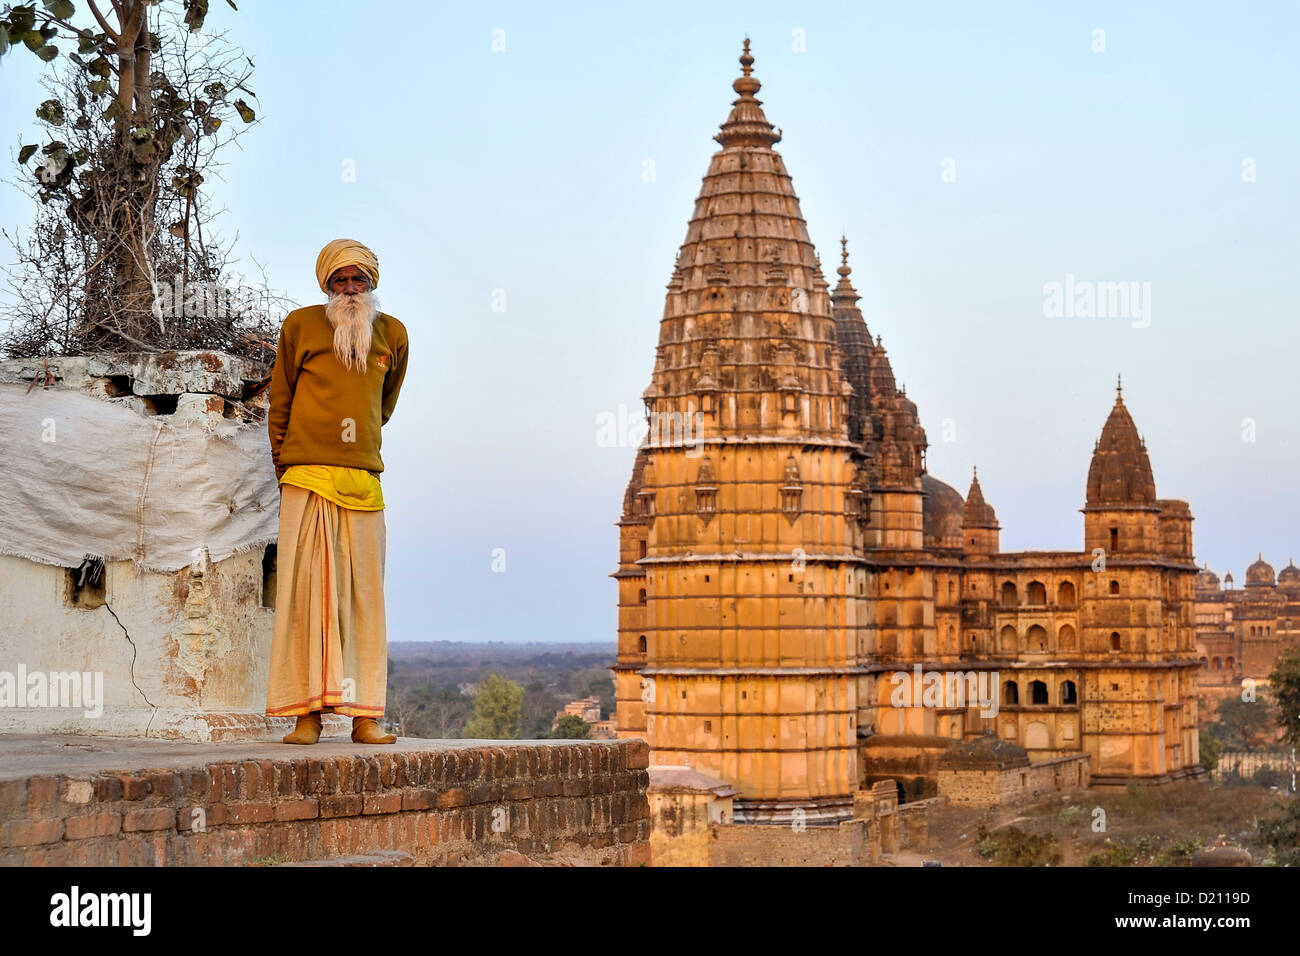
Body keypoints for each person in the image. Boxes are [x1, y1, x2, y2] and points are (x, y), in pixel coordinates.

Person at [264, 238, 408, 745]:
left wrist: (356, 442)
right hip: (305, 476)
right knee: (307, 600)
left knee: (364, 601)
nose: (349, 288)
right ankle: (309, 717)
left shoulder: (393, 334)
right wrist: (284, 462)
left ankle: (365, 717)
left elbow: (383, 405)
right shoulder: (300, 325)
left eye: (358, 279)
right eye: (339, 280)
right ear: (325, 285)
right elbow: (280, 399)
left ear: (372, 282)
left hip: (363, 479)